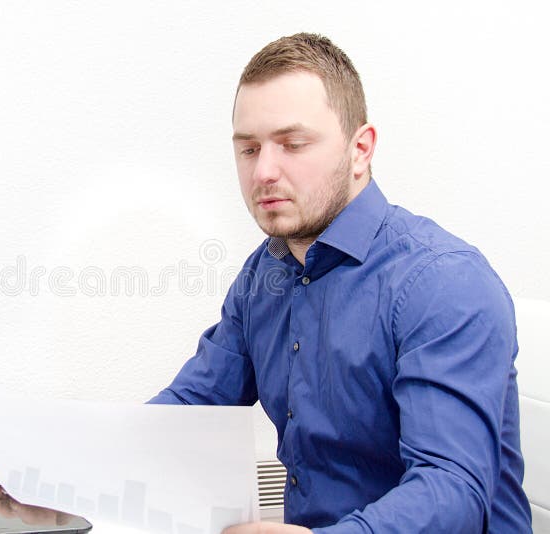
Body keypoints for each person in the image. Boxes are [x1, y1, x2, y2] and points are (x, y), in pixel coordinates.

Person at [147, 33, 532, 533]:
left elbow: (451, 490)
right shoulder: (265, 274)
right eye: (248, 148)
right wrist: (57, 463)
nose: (264, 171)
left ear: (360, 150)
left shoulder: (443, 281)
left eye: (293, 144)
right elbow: (189, 411)